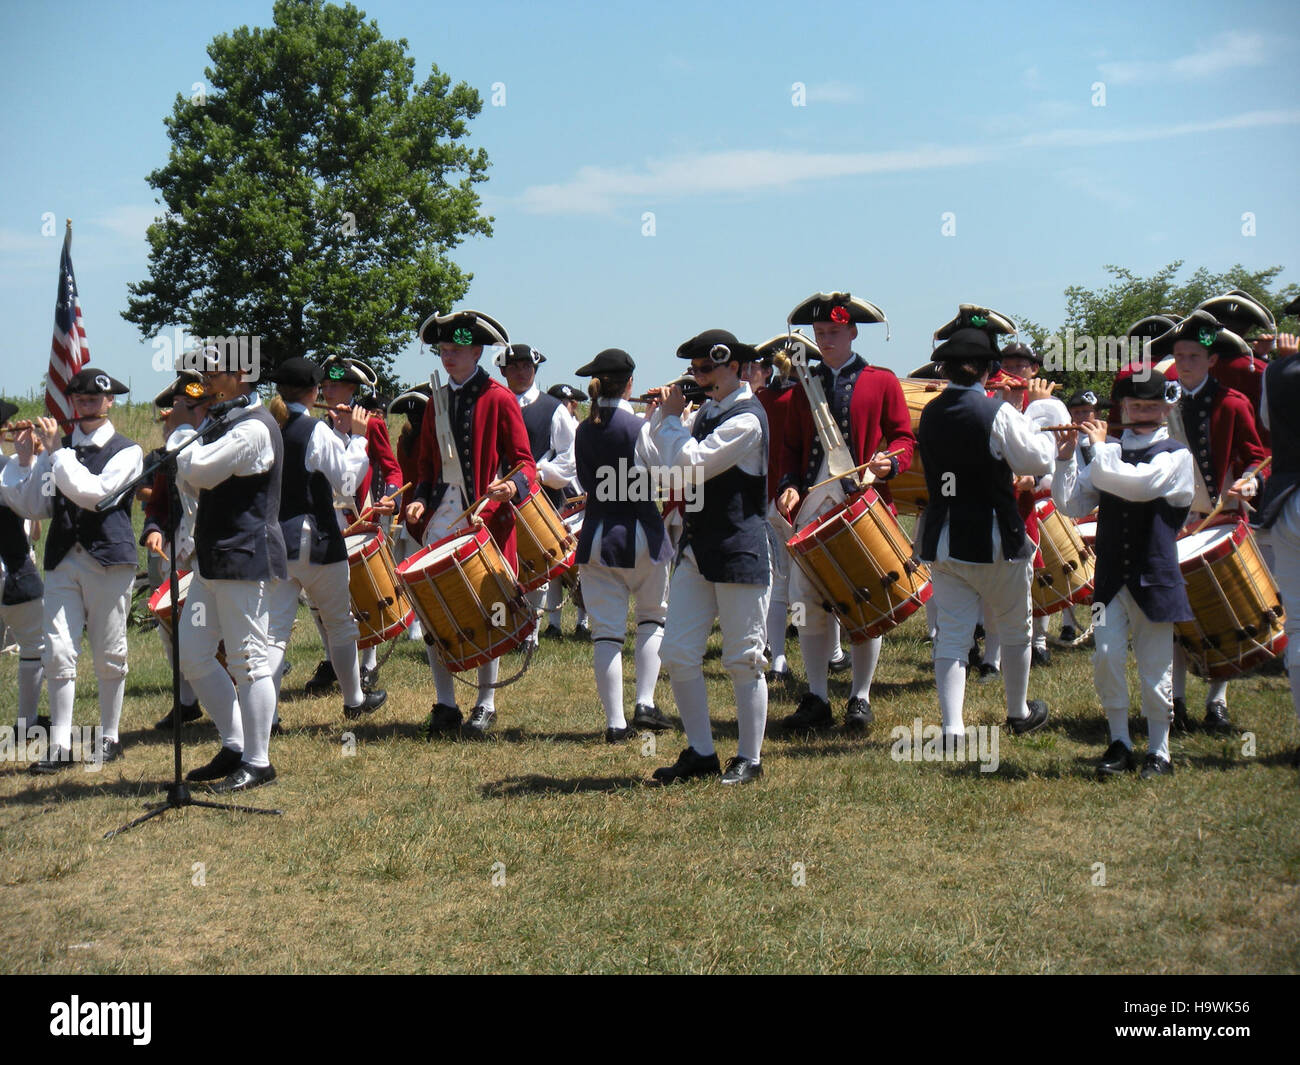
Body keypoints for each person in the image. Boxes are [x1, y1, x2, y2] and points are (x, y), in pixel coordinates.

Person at [776, 292, 914, 733]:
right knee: (807, 603)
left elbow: (903, 439)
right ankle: (816, 694)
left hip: (862, 504)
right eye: (819, 333)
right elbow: (791, 451)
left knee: (865, 603)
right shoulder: (803, 388)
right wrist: (789, 487)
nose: (826, 339)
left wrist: (890, 461)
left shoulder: (881, 381)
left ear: (852, 332)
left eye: (833, 332)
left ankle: (860, 696)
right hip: (814, 505)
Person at [915, 325, 1058, 746]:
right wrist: (1043, 409)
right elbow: (1039, 458)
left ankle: (952, 729)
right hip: (995, 538)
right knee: (1016, 628)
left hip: (943, 538)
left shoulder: (931, 413)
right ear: (986, 370)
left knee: (954, 634)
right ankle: (1018, 712)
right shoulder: (998, 412)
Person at [1054, 373, 1194, 778]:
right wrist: (1065, 457)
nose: (1143, 414)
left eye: (1151, 407)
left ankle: (1160, 750)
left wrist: (1098, 450)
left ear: (1166, 409)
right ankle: (1119, 741)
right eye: (1135, 407)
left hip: (1156, 579)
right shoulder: (1107, 453)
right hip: (1110, 582)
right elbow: (1071, 505)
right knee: (1105, 657)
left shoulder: (1175, 456)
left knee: (1155, 669)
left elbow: (1140, 486)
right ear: (1123, 410)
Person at [2, 369, 142, 773]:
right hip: (63, 559)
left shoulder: (127, 450)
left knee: (108, 650)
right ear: (71, 404)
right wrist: (31, 458)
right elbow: (32, 506)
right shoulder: (58, 451)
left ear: (110, 402)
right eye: (79, 401)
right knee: (59, 650)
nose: (87, 407)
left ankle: (110, 735)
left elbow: (96, 496)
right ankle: (60, 743)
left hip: (108, 560)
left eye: (94, 401)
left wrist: (57, 452)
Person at [405, 309, 535, 737]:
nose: (448, 357)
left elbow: (524, 464)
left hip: (484, 519)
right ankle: (445, 704)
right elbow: (425, 468)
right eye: (443, 350)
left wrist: (511, 488)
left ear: (477, 351)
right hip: (443, 516)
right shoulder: (436, 401)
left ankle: (486, 702)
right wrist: (420, 501)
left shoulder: (499, 398)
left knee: (488, 610)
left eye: (456, 350)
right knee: (434, 610)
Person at [649, 329, 770, 784]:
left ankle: (750, 758)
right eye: (693, 370)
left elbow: (692, 464)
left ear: (734, 367)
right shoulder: (703, 415)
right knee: (678, 653)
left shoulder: (747, 420)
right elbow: (664, 471)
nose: (698, 377)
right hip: (698, 548)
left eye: (706, 369)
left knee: (743, 657)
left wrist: (674, 420)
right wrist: (661, 419)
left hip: (740, 549)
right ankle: (701, 752)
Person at [165, 351, 287, 792]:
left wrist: (181, 431)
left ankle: (259, 761)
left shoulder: (254, 428)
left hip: (244, 557)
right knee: (193, 652)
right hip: (215, 559)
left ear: (242, 376)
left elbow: (201, 471)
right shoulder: (226, 421)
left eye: (214, 374)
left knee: (248, 661)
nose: (207, 382)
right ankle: (235, 744)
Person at [1152, 310, 1269, 733]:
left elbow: (1257, 458)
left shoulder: (1232, 403)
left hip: (1218, 518)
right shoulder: (1157, 402)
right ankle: (1175, 702)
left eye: (1193, 356)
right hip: (1169, 520)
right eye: (1179, 355)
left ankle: (1216, 702)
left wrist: (1250, 484)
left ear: (1211, 360)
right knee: (1174, 615)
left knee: (1218, 610)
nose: (1183, 362)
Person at [265, 357, 386, 723]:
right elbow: (346, 484)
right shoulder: (314, 431)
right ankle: (354, 701)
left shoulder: (265, 428)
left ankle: (267, 718)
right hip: (315, 540)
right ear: (315, 391)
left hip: (276, 541)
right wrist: (359, 438)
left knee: (274, 634)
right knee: (340, 623)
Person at [571, 347, 672, 741]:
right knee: (652, 618)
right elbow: (663, 477)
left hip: (596, 534)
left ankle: (615, 724)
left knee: (607, 634)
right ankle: (645, 702)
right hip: (641, 532)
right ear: (630, 383)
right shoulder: (640, 428)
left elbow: (583, 479)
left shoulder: (583, 428)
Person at [302, 353, 403, 695]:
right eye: (325, 386)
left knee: (362, 593)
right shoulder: (316, 428)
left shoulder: (371, 424)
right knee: (319, 598)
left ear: (352, 389)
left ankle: (368, 664)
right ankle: (333, 658)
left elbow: (392, 469)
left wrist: (391, 497)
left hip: (359, 517)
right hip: (322, 520)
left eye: (336, 386)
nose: (328, 392)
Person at [142, 368, 212, 730]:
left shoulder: (218, 442)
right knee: (170, 626)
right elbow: (158, 506)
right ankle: (186, 700)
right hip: (178, 550)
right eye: (170, 409)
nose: (170, 416)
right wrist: (154, 530)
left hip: (213, 548)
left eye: (182, 407)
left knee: (216, 626)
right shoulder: (166, 455)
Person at [497, 343, 578, 642]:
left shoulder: (553, 409)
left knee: (536, 565)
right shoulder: (494, 403)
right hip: (496, 499)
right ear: (503, 371)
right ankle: (503, 629)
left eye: (526, 367)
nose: (521, 373)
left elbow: (569, 458)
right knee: (499, 568)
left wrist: (539, 474)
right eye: (514, 367)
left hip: (539, 498)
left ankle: (530, 634)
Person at [1253, 309, 1300, 767]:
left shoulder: (1278, 371)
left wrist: (1282, 364)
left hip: (1288, 501)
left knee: (1298, 626)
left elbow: (1269, 422)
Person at [0, 398, 46, 740]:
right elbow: (30, 503)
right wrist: (29, 460)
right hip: (11, 571)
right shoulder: (5, 469)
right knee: (37, 645)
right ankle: (27, 724)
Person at [388, 384, 432, 640]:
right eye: (411, 416)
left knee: (413, 568)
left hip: (419, 510)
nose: (414, 419)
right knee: (406, 569)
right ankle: (409, 621)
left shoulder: (414, 440)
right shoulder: (407, 441)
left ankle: (415, 624)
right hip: (411, 510)